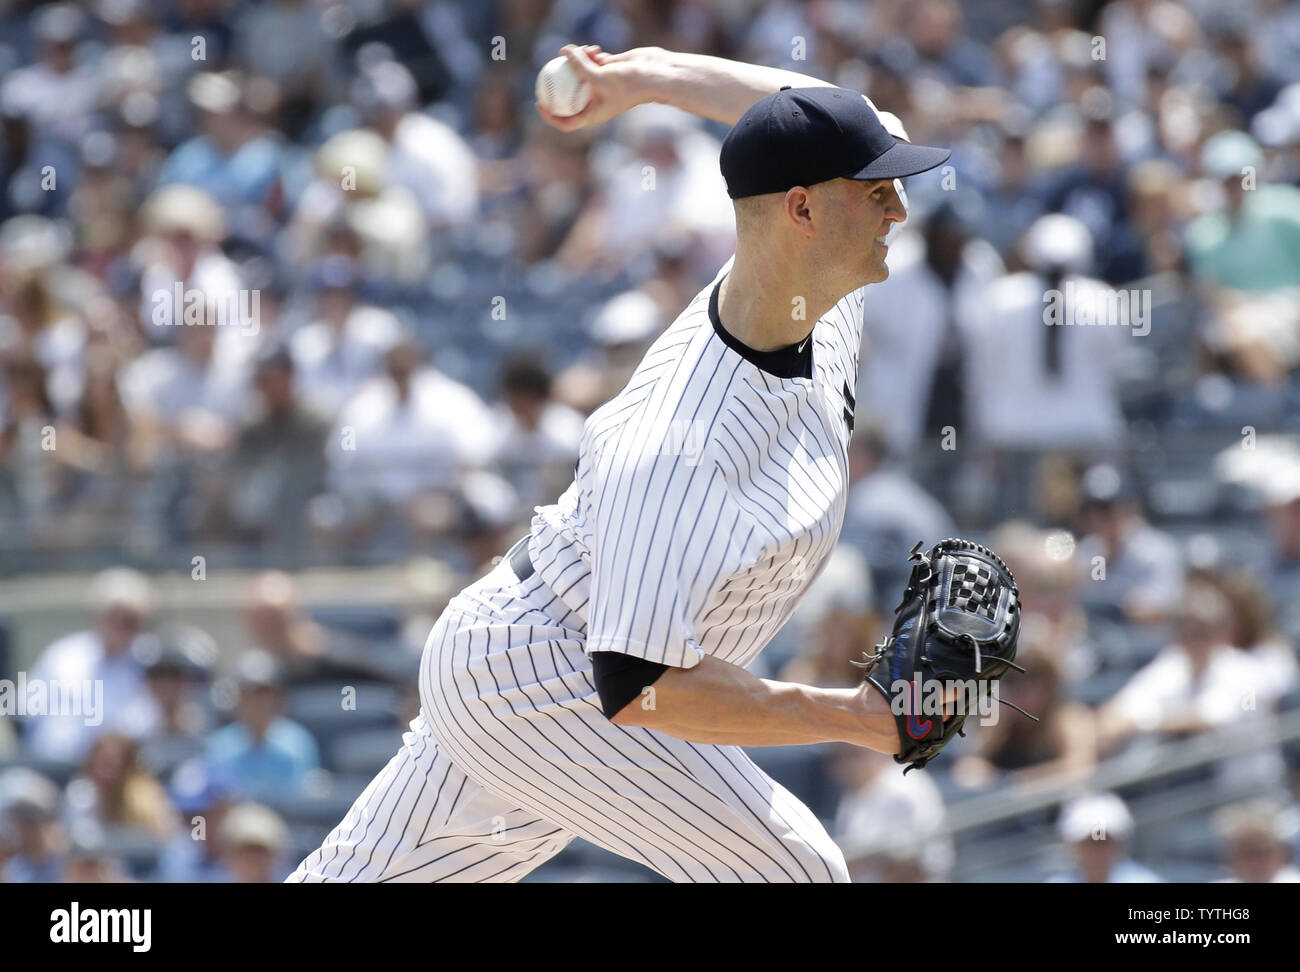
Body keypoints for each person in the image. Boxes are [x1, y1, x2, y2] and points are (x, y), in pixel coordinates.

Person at [288, 44, 952, 884]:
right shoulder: (678, 440)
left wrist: (642, 78)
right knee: (796, 874)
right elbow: (645, 692)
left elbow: (811, 101)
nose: (898, 207)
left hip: (551, 666)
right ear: (800, 210)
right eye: (876, 191)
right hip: (544, 677)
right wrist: (863, 717)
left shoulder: (828, 284)